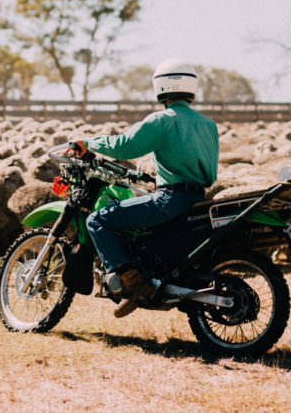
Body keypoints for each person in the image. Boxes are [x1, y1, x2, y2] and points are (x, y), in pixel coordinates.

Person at [73, 58, 219, 318]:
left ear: (161, 87)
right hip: (198, 197)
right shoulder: (208, 125)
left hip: (171, 199)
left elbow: (124, 147)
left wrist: (89, 143)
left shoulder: (163, 120)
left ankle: (131, 280)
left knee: (97, 221)